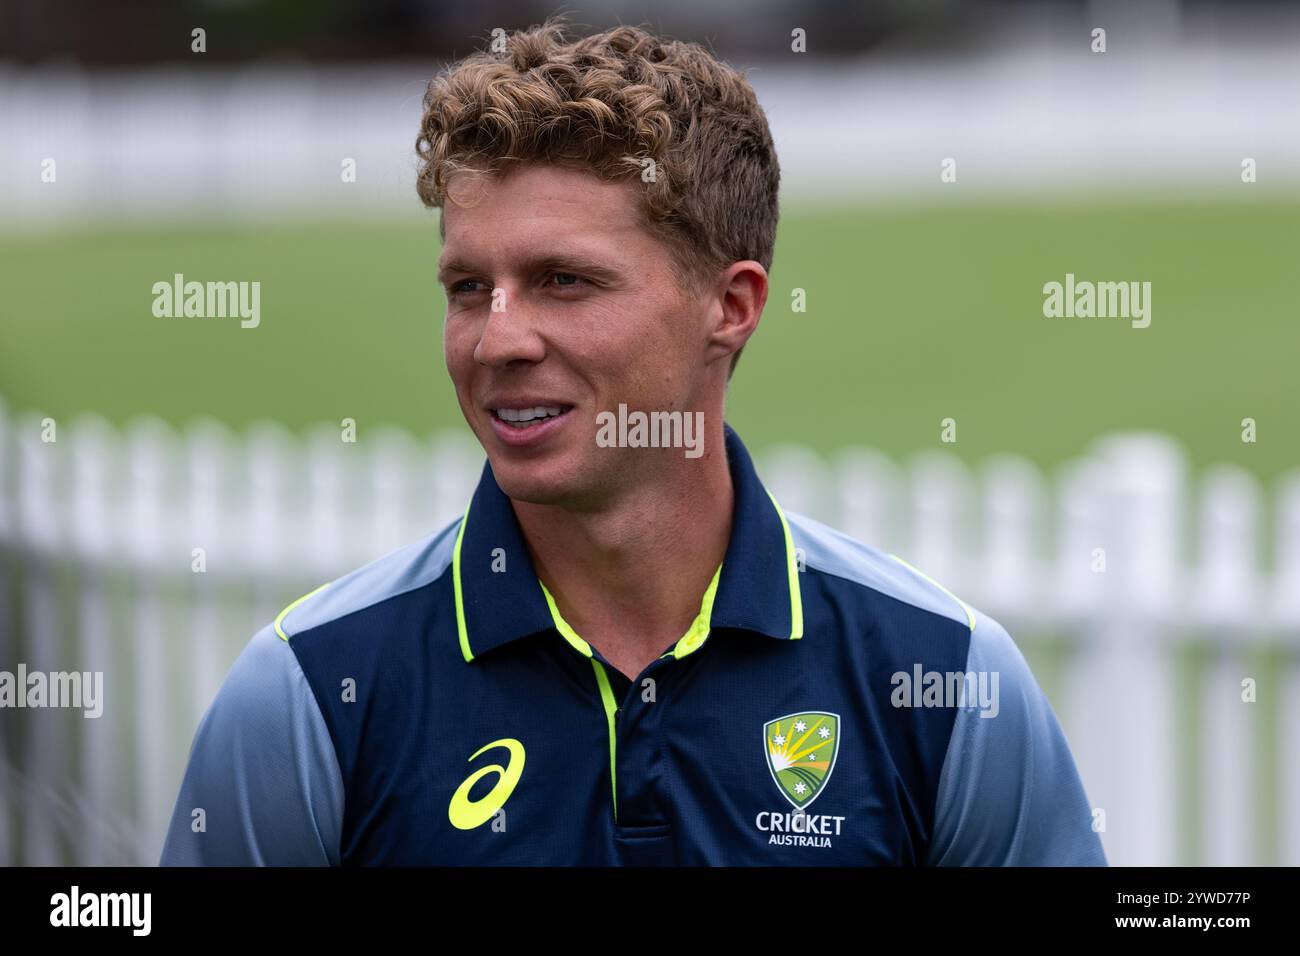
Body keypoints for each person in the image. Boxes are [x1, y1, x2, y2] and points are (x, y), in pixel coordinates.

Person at [161, 18, 1106, 866]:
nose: (498, 340)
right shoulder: (311, 693)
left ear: (729, 307)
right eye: (466, 288)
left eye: (564, 281)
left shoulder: (943, 679)